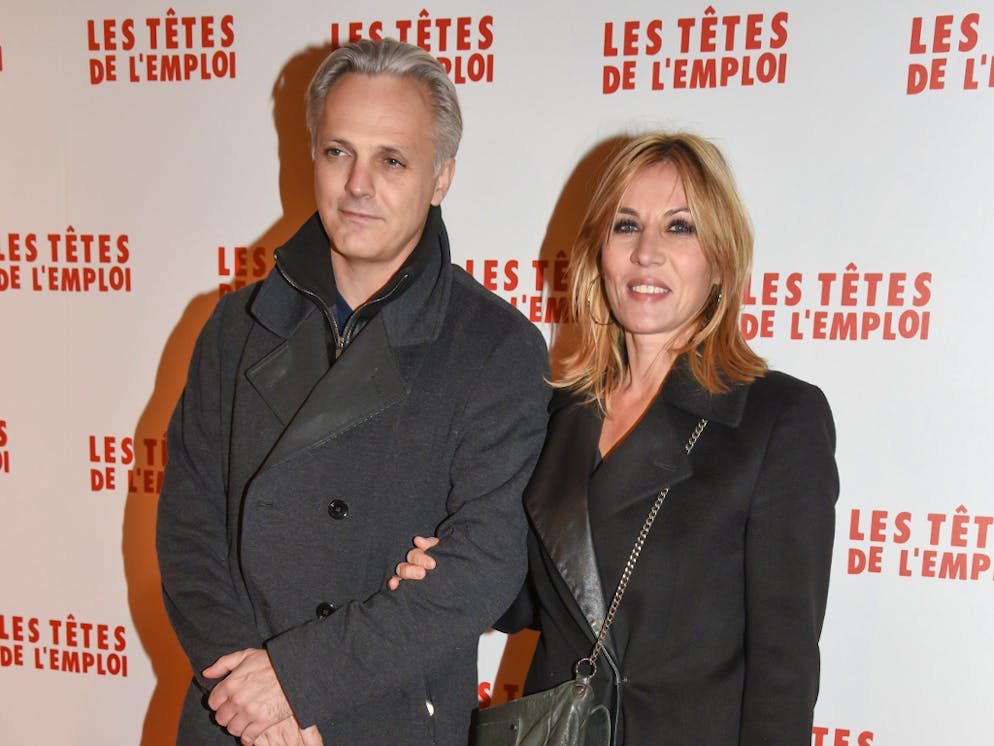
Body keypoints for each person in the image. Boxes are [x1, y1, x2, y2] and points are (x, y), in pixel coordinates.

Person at [155, 38, 550, 745]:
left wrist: (296, 682)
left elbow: (485, 562)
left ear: (441, 177)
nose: (358, 185)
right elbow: (189, 533)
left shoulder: (496, 347)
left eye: (392, 160)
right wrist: (251, 700)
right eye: (338, 152)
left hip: (388, 716)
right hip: (233, 719)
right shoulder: (235, 327)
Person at [392, 133, 838, 745]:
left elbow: (784, 667)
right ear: (598, 253)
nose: (647, 253)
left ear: (720, 261)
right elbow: (535, 599)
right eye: (626, 226)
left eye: (680, 227)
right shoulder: (555, 410)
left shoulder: (777, 418)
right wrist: (452, 565)